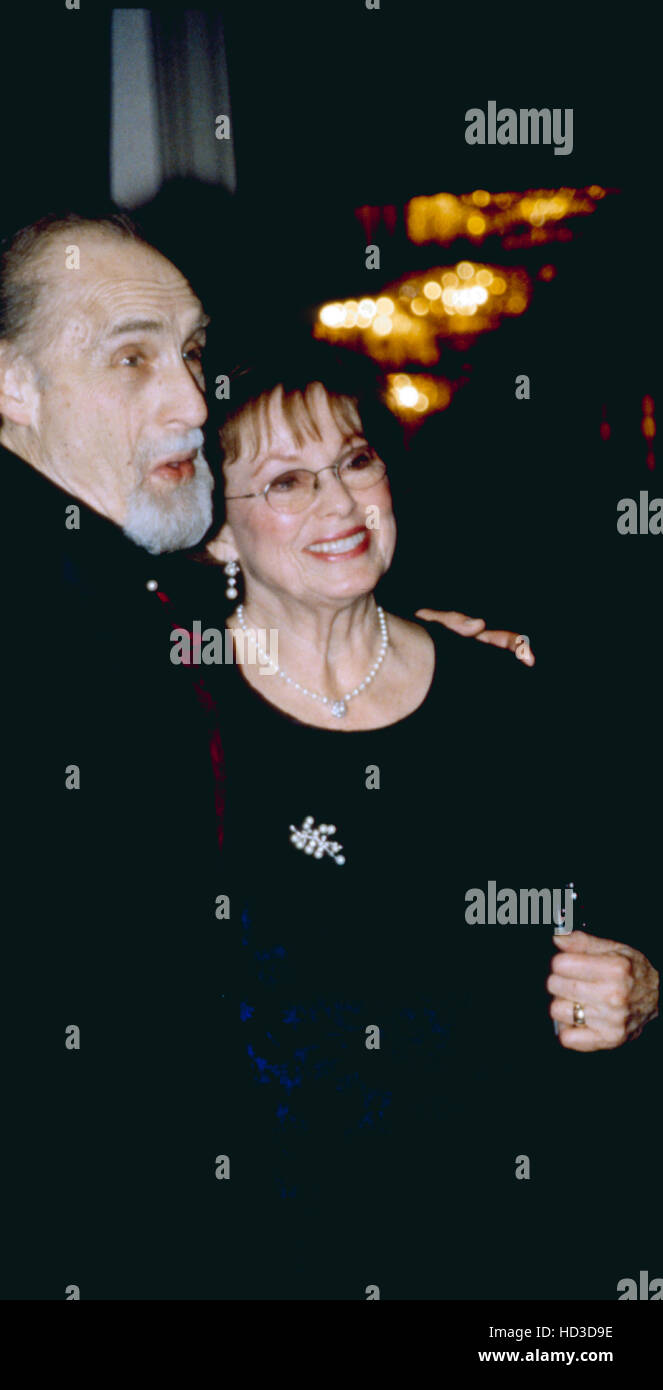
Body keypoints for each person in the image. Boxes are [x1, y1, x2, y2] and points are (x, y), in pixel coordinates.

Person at [0, 211, 548, 1301]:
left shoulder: (139, 595)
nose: (192, 399)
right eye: (133, 357)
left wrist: (419, 643)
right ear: (14, 384)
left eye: (192, 353)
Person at [195, 344, 660, 1298]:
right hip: (258, 1256)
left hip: (511, 1246)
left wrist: (642, 985)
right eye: (287, 481)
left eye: (355, 461)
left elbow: (624, 900)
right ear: (216, 535)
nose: (340, 504)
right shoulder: (167, 717)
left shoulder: (506, 695)